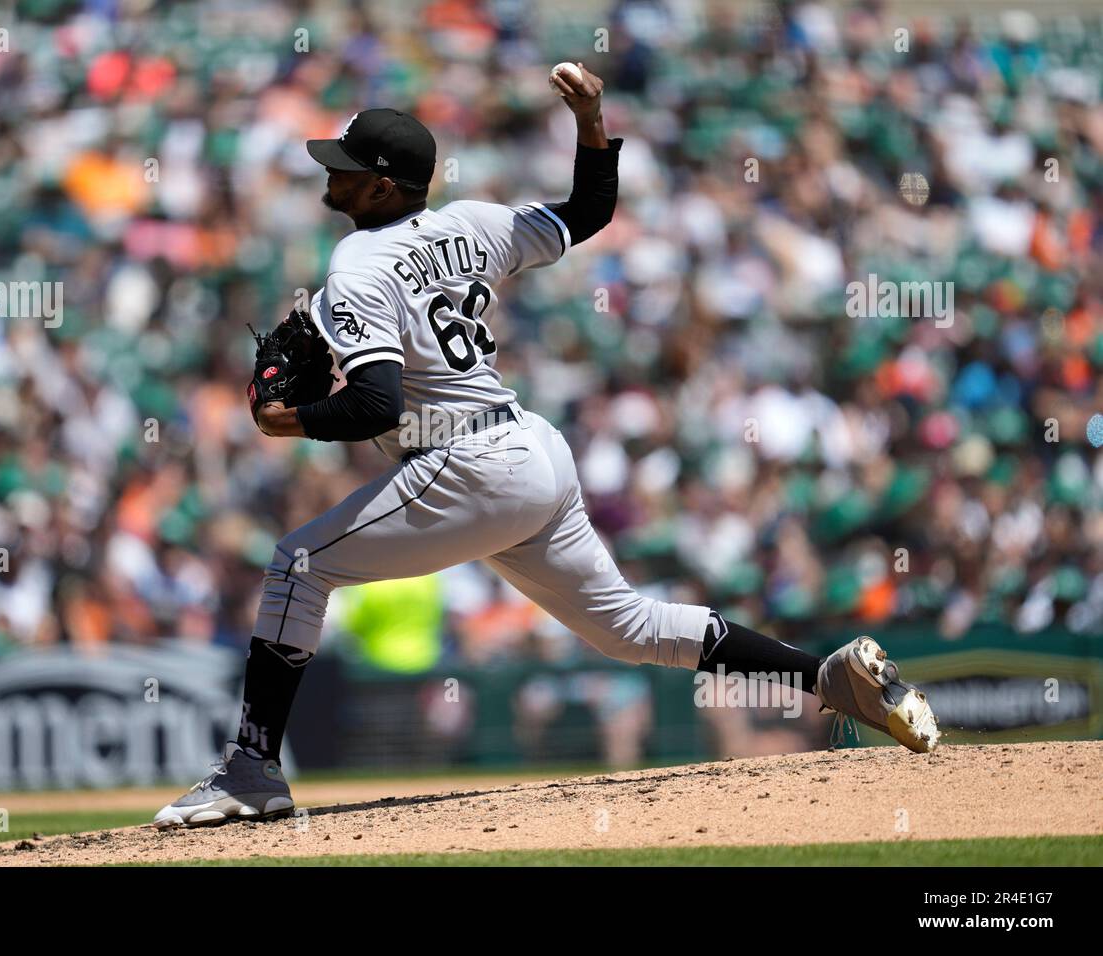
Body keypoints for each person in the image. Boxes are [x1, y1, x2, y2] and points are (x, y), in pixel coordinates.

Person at [152, 65, 939, 829]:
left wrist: (285, 423)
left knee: (298, 565)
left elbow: (375, 403)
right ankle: (827, 677)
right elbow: (589, 210)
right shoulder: (474, 224)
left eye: (349, 168)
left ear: (384, 186)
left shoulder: (357, 263)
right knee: (626, 628)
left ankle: (251, 770)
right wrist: (591, 122)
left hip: (466, 465)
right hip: (532, 453)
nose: (334, 176)